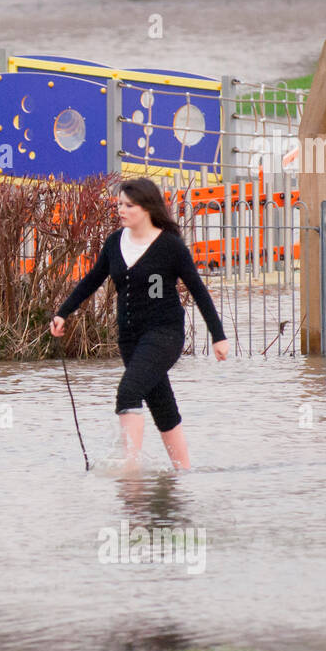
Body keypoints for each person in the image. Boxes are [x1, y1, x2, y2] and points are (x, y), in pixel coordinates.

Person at [49, 178, 229, 470]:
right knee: (161, 403)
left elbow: (198, 290)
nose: (121, 209)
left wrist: (218, 336)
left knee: (129, 391)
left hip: (165, 334)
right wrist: (63, 313)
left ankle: (131, 473)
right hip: (130, 338)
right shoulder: (114, 242)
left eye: (128, 205)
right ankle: (183, 473)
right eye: (119, 204)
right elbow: (92, 280)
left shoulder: (170, 245)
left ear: (146, 208)